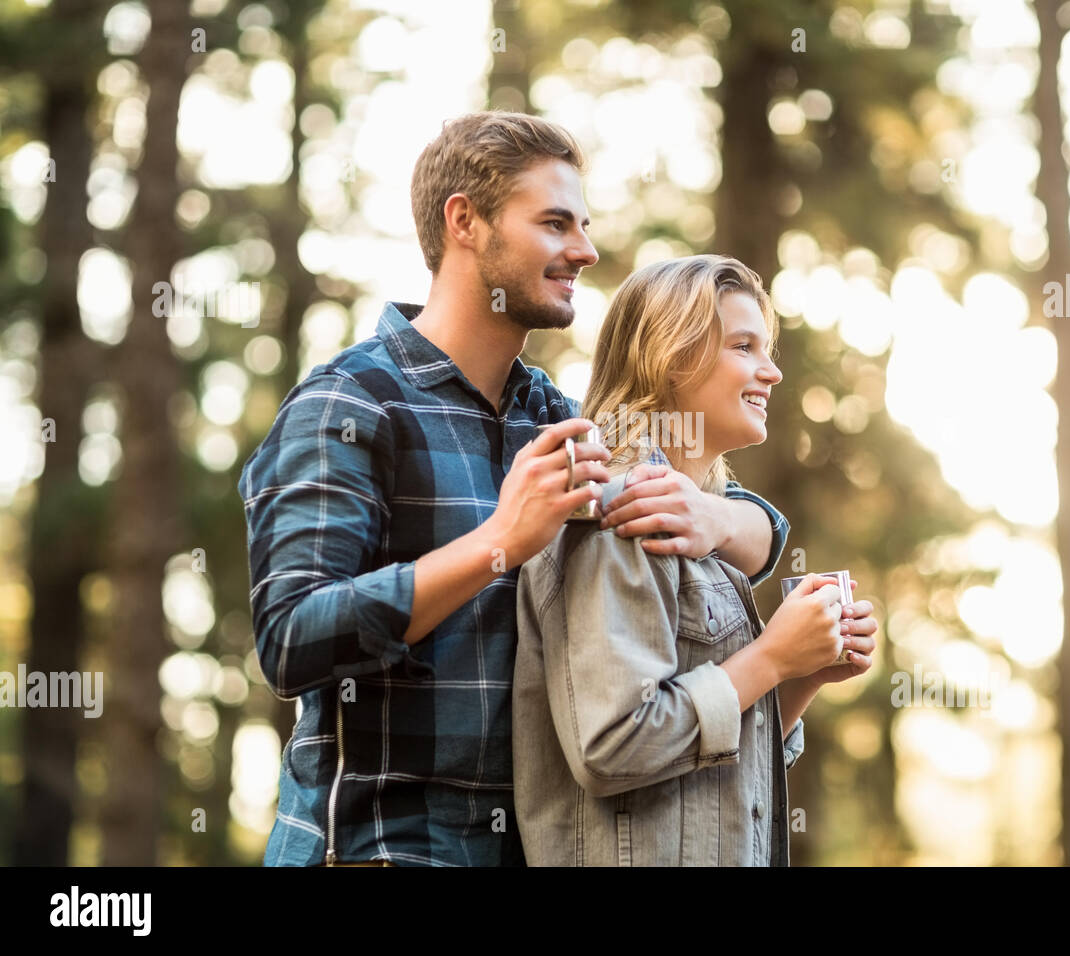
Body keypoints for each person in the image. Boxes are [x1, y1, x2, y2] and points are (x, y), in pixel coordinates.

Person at [238, 113, 793, 866]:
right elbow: (290, 638)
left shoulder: (556, 418)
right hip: (381, 851)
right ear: (465, 221)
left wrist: (718, 518)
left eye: (585, 226)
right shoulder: (351, 404)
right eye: (556, 223)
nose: (586, 251)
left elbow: (748, 528)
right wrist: (500, 543)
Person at [513, 255, 879, 866]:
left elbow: (712, 764)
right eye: (744, 346)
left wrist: (802, 673)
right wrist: (770, 657)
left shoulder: (704, 533)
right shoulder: (623, 518)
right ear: (672, 356)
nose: (772, 372)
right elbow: (612, 745)